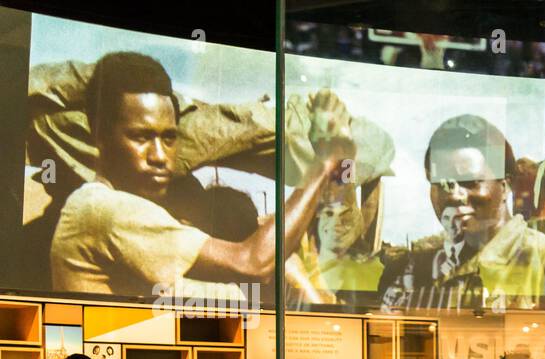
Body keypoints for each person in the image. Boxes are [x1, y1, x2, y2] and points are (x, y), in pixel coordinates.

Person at [50, 52, 353, 300]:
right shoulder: (101, 208)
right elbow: (253, 262)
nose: (159, 156)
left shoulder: (137, 224)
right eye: (141, 137)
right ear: (99, 134)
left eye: (169, 139)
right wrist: (327, 161)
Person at [378, 114, 545, 313]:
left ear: (505, 186)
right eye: (443, 183)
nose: (455, 195)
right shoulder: (415, 272)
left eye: (470, 182)